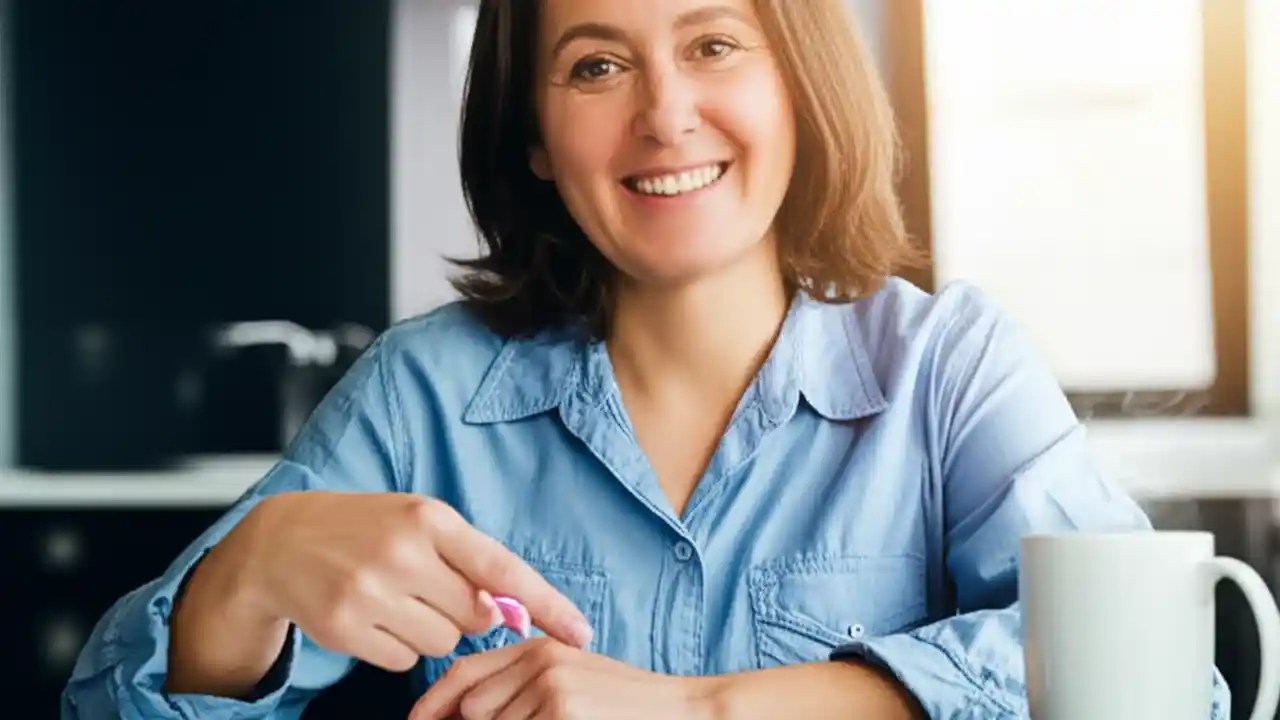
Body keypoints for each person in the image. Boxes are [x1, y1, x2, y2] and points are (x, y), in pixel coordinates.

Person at [63, 0, 1230, 718]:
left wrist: (703, 709)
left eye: (715, 44)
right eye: (595, 66)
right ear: (530, 138)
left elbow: (1162, 688)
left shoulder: (948, 368)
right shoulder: (420, 398)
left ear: (797, 86)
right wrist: (248, 576)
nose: (664, 115)